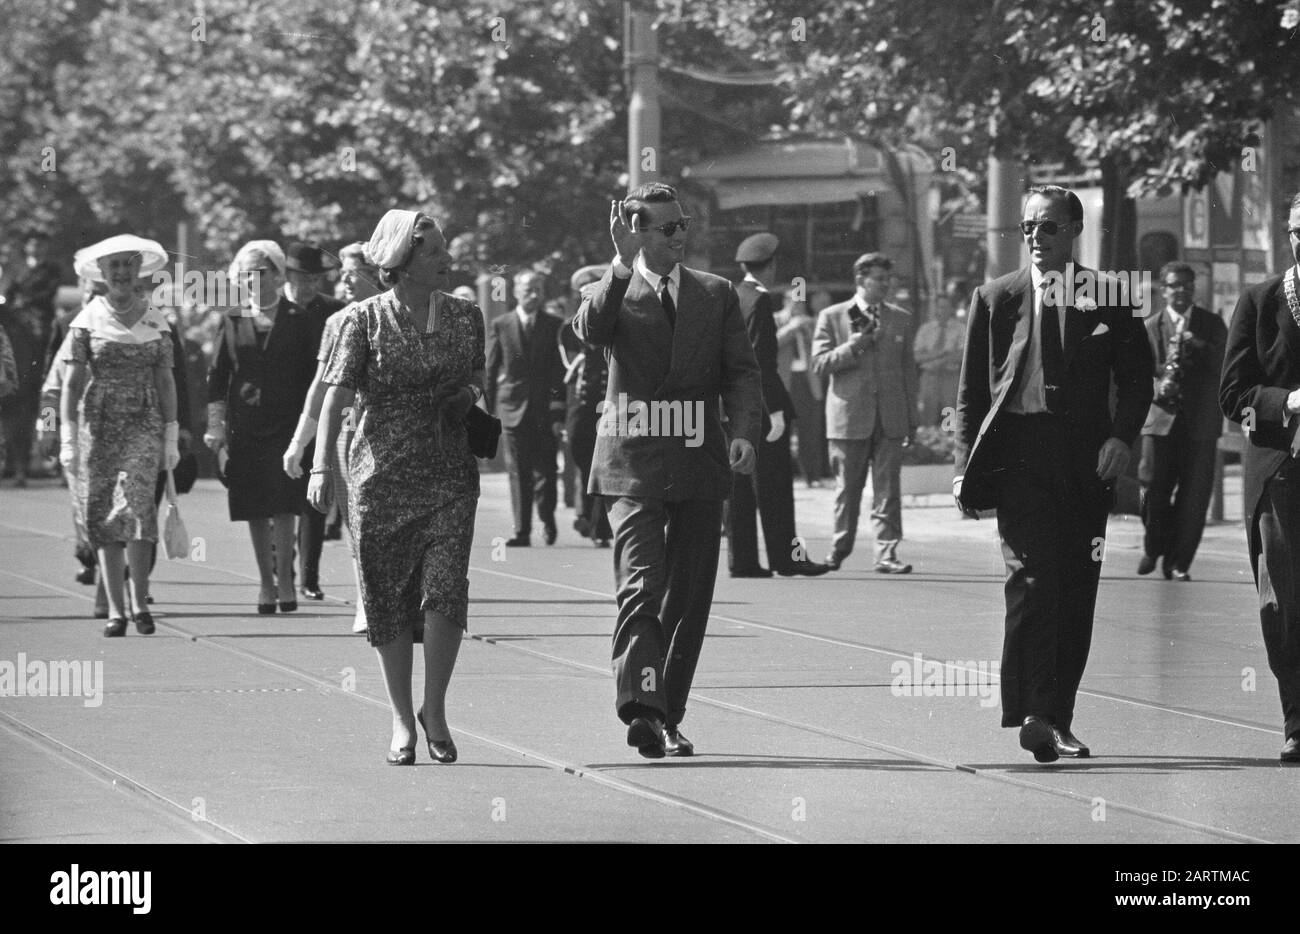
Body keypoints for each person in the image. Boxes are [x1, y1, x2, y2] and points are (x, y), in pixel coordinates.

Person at [954, 185, 1152, 763]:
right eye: (1027, 228)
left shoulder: (1110, 297)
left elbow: (1140, 377)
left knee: (1075, 587)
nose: (1036, 239)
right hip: (1019, 457)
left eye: (1048, 228)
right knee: (1032, 580)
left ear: (1074, 231)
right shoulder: (995, 298)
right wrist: (965, 469)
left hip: (1086, 461)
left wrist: (1121, 437)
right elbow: (970, 391)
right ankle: (1033, 711)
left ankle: (1057, 715)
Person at [574, 183, 761, 758]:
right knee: (641, 585)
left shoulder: (716, 292)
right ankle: (641, 703)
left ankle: (666, 714)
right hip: (631, 463)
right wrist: (617, 263)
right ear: (635, 233)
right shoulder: (614, 289)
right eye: (667, 227)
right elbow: (590, 331)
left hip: (700, 460)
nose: (681, 235)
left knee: (688, 596)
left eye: (684, 224)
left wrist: (746, 433)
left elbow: (742, 372)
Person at [310, 209, 484, 765]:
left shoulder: (466, 316)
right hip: (378, 478)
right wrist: (319, 468)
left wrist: (469, 397)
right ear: (401, 265)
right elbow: (333, 400)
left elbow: (478, 375)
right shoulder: (359, 322)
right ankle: (400, 718)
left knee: (444, 589)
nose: (446, 260)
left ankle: (435, 710)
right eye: (434, 253)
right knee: (385, 599)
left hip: (449, 473)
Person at [60, 235, 180, 637]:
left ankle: (139, 602)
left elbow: (166, 380)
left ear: (138, 269)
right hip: (99, 424)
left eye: (129, 265)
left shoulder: (156, 319)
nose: (123, 273)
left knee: (138, 508)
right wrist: (67, 436)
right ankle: (115, 609)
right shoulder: (85, 322)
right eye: (115, 267)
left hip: (144, 423)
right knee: (105, 516)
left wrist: (171, 433)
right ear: (103, 274)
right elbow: (71, 384)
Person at [1219, 191, 1300, 763]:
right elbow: (1233, 395)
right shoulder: (1260, 300)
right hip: (1281, 473)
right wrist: (1289, 400)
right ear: (1288, 233)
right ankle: (1297, 718)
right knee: (1287, 602)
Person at [204, 240, 323, 614]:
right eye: (246, 274)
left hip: (288, 424)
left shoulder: (300, 319)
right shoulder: (233, 318)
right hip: (246, 425)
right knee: (255, 504)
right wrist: (216, 427)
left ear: (277, 274)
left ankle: (287, 581)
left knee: (286, 502)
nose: (253, 280)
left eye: (261, 273)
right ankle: (266, 584)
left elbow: (314, 376)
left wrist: (314, 429)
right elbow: (217, 376)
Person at [284, 241, 381, 634]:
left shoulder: (406, 315)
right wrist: (299, 443)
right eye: (340, 274)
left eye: (352, 273)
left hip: (397, 429)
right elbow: (320, 389)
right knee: (357, 519)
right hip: (350, 435)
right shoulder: (337, 323)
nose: (344, 281)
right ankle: (367, 600)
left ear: (378, 274)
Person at [727, 232, 829, 578]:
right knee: (776, 488)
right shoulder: (760, 300)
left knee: (740, 486)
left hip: (733, 405)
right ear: (769, 266)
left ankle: (742, 561)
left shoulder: (732, 295)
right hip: (761, 406)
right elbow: (761, 361)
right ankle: (786, 558)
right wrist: (773, 410)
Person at [812, 252, 919, 573]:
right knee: (848, 489)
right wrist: (854, 345)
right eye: (879, 279)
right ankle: (839, 547)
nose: (886, 285)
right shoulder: (833, 316)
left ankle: (886, 553)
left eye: (889, 279)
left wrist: (911, 419)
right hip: (849, 419)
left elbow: (908, 372)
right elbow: (819, 364)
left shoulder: (900, 317)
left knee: (889, 489)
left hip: (890, 418)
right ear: (860, 280)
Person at [1137, 262, 1226, 581]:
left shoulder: (1212, 325)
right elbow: (1134, 376)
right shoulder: (1149, 327)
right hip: (1159, 422)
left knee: (1194, 499)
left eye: (1188, 286)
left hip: (1200, 426)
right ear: (1163, 290)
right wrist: (1158, 386)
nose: (1182, 291)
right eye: (1175, 286)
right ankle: (1153, 545)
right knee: (1150, 492)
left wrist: (1195, 344)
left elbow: (1224, 366)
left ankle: (1178, 562)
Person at [282, 243, 345, 601]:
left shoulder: (333, 311)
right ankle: (282, 567)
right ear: (288, 276)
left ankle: (309, 576)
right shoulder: (273, 310)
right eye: (303, 277)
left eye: (316, 279)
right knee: (281, 498)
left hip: (320, 412)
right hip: (280, 414)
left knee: (316, 497)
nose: (309, 285)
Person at [486, 269, 566, 546]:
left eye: (538, 290)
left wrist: (558, 412)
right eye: (528, 289)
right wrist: (487, 413)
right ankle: (521, 530)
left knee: (546, 470)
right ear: (516, 292)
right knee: (518, 471)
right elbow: (491, 368)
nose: (534, 295)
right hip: (512, 409)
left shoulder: (555, 325)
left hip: (545, 412)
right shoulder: (501, 324)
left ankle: (546, 518)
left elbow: (559, 372)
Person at [2, 231, 62, 485]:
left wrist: (20, 303)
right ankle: (14, 462)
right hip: (15, 323)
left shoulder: (51, 270)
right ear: (26, 247)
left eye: (41, 244)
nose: (37, 248)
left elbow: (45, 295)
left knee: (43, 398)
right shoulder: (13, 269)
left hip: (37, 327)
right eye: (33, 243)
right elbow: (5, 290)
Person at [562, 264, 613, 546]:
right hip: (581, 410)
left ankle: (599, 526)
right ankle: (586, 514)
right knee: (583, 463)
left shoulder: (614, 324)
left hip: (608, 409)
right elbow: (568, 368)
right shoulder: (568, 330)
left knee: (604, 467)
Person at [776, 291, 828, 486]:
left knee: (810, 431)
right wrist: (791, 328)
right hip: (785, 382)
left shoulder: (810, 322)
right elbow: (769, 343)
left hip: (808, 381)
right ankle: (782, 477)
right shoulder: (775, 319)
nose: (798, 306)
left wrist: (807, 329)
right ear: (785, 301)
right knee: (782, 433)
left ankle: (812, 476)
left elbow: (822, 346)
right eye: (794, 302)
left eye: (801, 303)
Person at [913, 286, 967, 426]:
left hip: (950, 378)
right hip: (929, 378)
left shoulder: (960, 330)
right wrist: (942, 354)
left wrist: (937, 360)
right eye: (939, 307)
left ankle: (948, 445)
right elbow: (917, 356)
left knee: (949, 420)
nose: (942, 311)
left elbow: (962, 355)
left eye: (945, 307)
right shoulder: (925, 329)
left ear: (951, 309)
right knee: (927, 418)